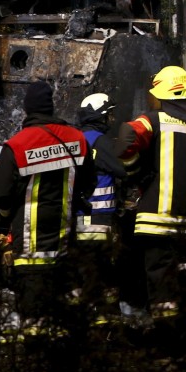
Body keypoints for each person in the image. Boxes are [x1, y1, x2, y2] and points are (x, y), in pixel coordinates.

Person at [115, 65, 186, 344]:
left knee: (160, 276)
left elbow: (125, 138)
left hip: (159, 219)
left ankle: (167, 337)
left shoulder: (154, 120)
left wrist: (132, 169)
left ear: (164, 96)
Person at [0, 81, 95, 323]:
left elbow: (3, 194)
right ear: (50, 107)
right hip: (65, 239)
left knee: (34, 312)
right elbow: (88, 182)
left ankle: (35, 349)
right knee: (64, 304)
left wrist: (2, 225)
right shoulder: (77, 139)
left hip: (29, 242)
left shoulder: (18, 145)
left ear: (27, 108)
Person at [73, 93, 129, 316]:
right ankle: (104, 313)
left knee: (84, 265)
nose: (111, 120)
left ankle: (87, 309)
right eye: (109, 115)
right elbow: (124, 169)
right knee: (101, 265)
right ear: (101, 116)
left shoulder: (76, 139)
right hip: (99, 215)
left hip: (78, 215)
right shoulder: (101, 141)